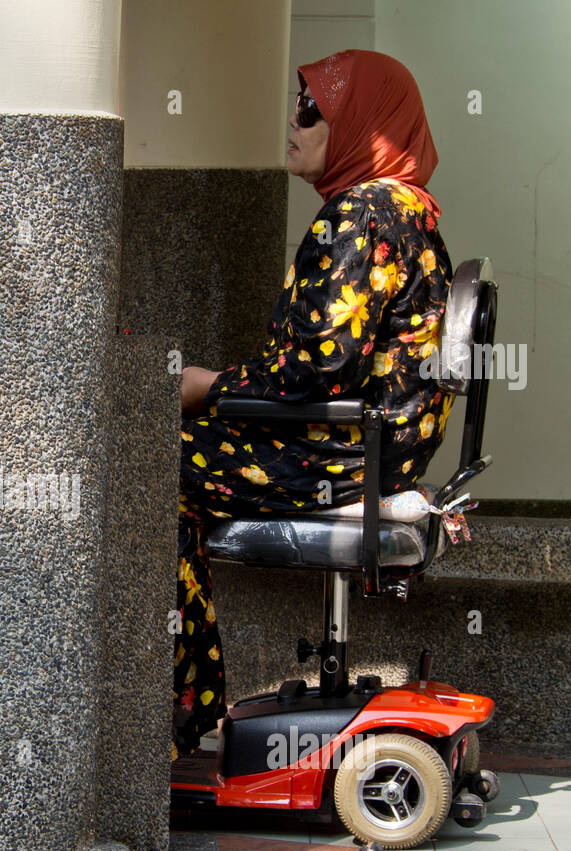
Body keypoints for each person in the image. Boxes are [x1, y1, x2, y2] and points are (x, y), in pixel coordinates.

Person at [174, 50, 454, 754]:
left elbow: (316, 371)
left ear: (361, 120)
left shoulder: (359, 217)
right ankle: (186, 699)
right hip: (373, 450)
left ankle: (173, 706)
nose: (293, 121)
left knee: (145, 465)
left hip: (338, 451)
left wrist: (204, 387)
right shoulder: (408, 211)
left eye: (312, 109)